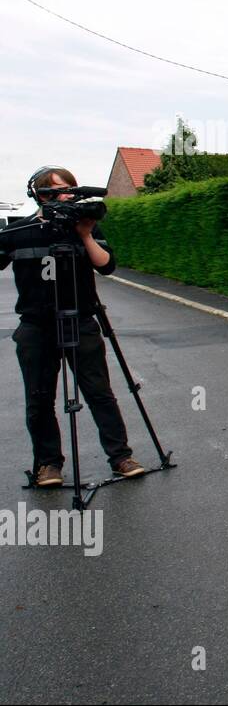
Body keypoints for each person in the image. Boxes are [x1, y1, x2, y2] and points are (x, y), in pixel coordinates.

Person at [0, 167, 146, 486]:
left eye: (69, 189)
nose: (65, 196)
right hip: (36, 327)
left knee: (100, 393)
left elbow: (106, 266)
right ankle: (48, 465)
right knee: (39, 399)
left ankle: (120, 456)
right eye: (56, 191)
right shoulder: (20, 231)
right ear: (39, 194)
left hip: (81, 321)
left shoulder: (84, 228)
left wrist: (85, 234)